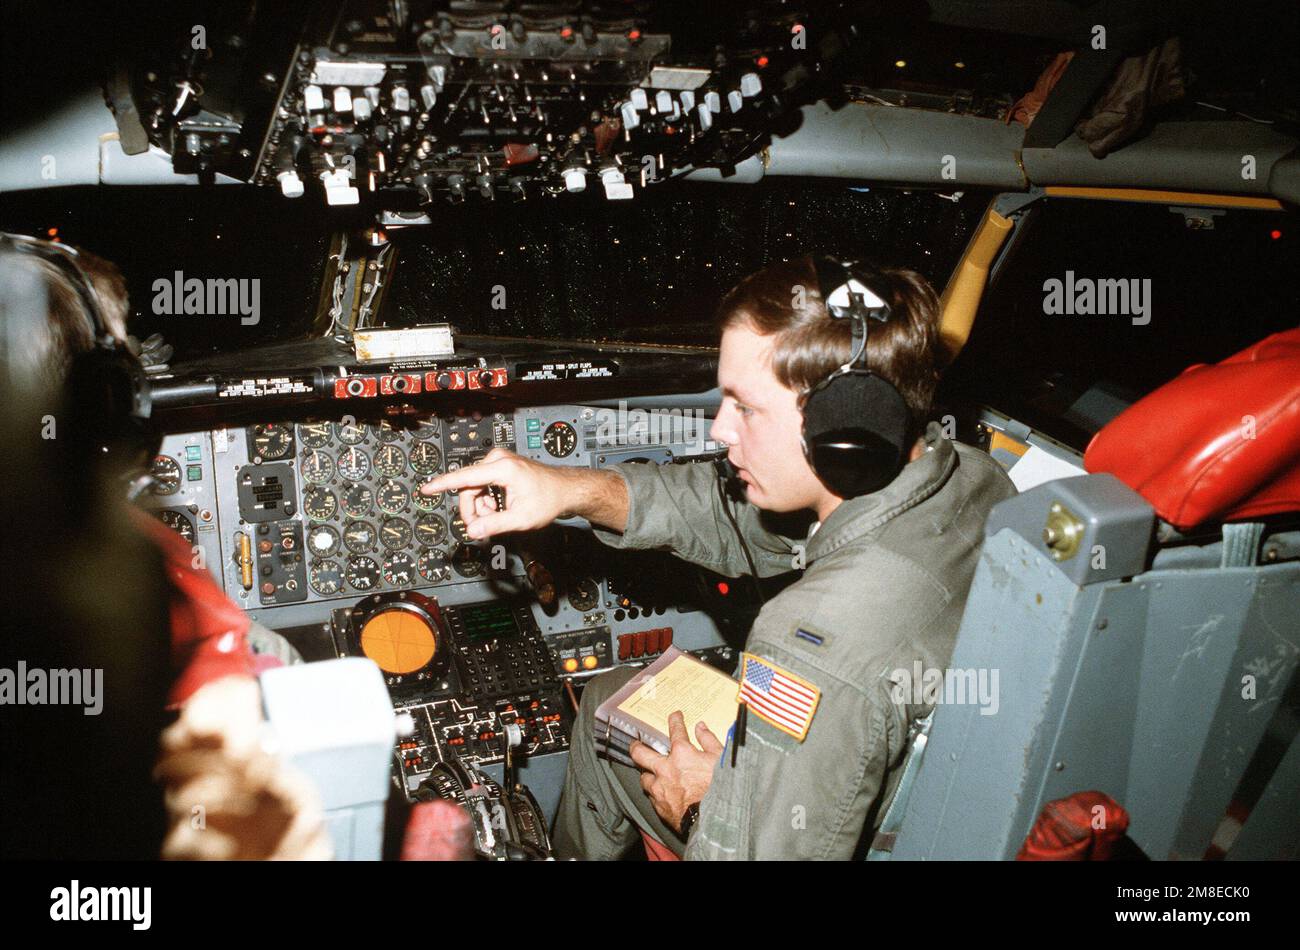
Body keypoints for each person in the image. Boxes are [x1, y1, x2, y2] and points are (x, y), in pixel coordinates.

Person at [421, 253, 1017, 860]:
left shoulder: (808, 640)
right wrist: (571, 489)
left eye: (746, 407)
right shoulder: (972, 477)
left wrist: (701, 803)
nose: (718, 430)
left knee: (605, 727)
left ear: (848, 426)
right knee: (608, 697)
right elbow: (729, 513)